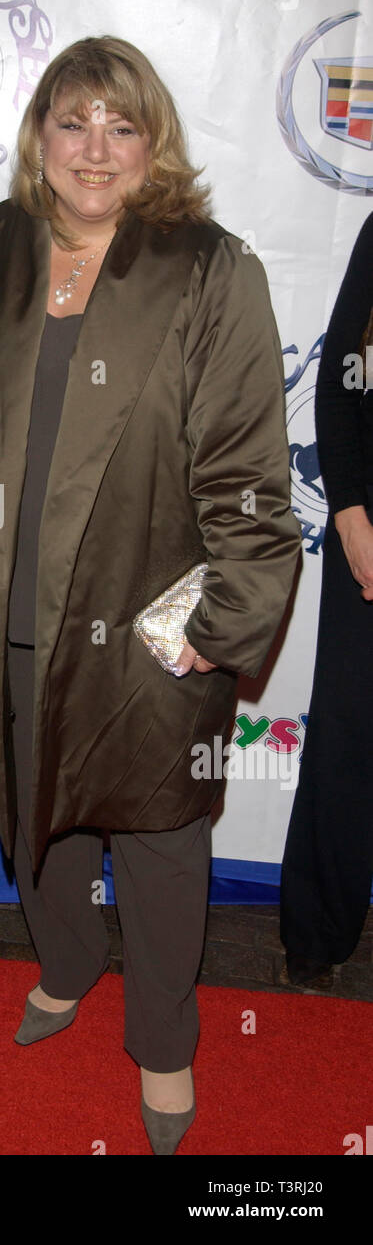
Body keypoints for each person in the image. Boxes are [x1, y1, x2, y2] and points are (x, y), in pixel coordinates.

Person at [0, 36, 300, 1155]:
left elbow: (244, 461)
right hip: (8, 601)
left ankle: (162, 1039)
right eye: (71, 120)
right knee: (31, 822)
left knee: (154, 843)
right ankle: (63, 965)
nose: (94, 148)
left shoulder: (206, 268)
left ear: (152, 146)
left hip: (146, 615)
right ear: (37, 135)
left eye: (120, 125)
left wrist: (225, 622)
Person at [280, 213, 373, 986]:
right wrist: (347, 510)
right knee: (346, 733)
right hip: (370, 533)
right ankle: (315, 931)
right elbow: (342, 374)